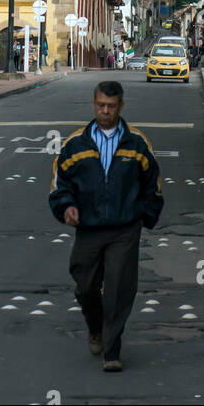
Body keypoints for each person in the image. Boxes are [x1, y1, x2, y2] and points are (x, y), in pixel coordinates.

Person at [49, 81, 164, 372]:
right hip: (88, 228)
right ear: (93, 104)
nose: (105, 111)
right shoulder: (75, 143)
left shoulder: (138, 143)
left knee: (118, 290)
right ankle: (95, 327)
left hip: (124, 229)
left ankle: (112, 352)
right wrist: (66, 207)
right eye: (100, 105)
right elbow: (59, 183)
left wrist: (144, 215)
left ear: (121, 107)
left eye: (111, 106)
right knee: (86, 287)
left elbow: (154, 185)